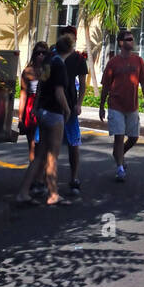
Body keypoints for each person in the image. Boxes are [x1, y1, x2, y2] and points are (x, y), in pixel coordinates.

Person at [15, 33, 73, 207]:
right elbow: (59, 92)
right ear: (70, 48)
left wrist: (36, 106)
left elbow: (40, 86)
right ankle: (53, 193)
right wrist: (67, 109)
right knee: (52, 155)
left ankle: (23, 192)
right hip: (54, 113)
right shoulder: (59, 65)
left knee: (39, 155)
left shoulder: (48, 61)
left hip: (42, 111)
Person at [99, 30, 144, 181]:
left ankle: (119, 154)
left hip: (132, 106)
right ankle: (120, 168)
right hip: (116, 106)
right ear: (121, 43)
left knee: (133, 137)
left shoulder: (138, 61)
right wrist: (101, 106)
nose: (131, 42)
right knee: (119, 138)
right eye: (128, 39)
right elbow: (106, 86)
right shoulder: (113, 62)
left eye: (132, 39)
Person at [54, 26, 88, 194]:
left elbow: (82, 84)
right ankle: (43, 180)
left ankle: (74, 178)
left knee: (74, 143)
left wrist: (79, 103)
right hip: (51, 106)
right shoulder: (50, 57)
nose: (68, 40)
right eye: (65, 36)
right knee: (45, 144)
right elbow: (44, 81)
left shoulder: (79, 59)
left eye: (71, 37)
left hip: (70, 108)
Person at [18, 42, 48, 187]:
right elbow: (23, 94)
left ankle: (40, 176)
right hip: (31, 107)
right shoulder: (28, 71)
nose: (41, 55)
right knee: (32, 145)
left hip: (45, 106)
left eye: (44, 53)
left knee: (44, 145)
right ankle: (35, 177)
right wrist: (20, 116)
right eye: (38, 53)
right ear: (34, 54)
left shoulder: (49, 71)